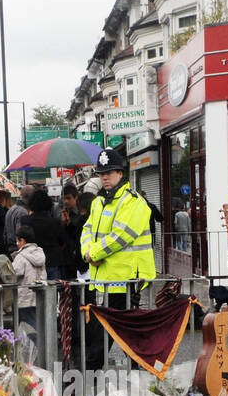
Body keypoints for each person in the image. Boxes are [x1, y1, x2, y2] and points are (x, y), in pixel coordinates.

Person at [80, 145, 155, 370]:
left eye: (109, 173)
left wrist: (93, 253)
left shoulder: (133, 202)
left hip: (128, 282)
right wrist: (87, 253)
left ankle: (137, 389)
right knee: (102, 342)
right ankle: (91, 392)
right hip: (103, 283)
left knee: (126, 344)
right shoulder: (98, 203)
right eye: (102, 174)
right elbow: (86, 230)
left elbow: (120, 236)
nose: (105, 178)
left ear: (121, 174)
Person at [11, 222, 45, 339]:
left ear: (22, 241)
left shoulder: (21, 257)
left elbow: (14, 274)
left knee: (29, 327)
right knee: (37, 323)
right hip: (39, 295)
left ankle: (38, 349)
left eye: (17, 241)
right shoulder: (40, 253)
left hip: (24, 297)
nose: (16, 243)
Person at [27, 188, 66, 281]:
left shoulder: (25, 220)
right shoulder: (55, 222)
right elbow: (63, 241)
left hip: (32, 262)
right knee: (53, 292)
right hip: (52, 261)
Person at [60, 183, 86, 277]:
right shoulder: (61, 213)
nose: (66, 201)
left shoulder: (81, 213)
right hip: (66, 258)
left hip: (80, 257)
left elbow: (78, 234)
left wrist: (69, 224)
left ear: (76, 198)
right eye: (64, 198)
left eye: (69, 198)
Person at [3, 184, 33, 251]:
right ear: (31, 197)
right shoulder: (23, 212)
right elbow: (20, 234)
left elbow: (5, 233)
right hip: (18, 250)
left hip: (10, 248)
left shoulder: (11, 209)